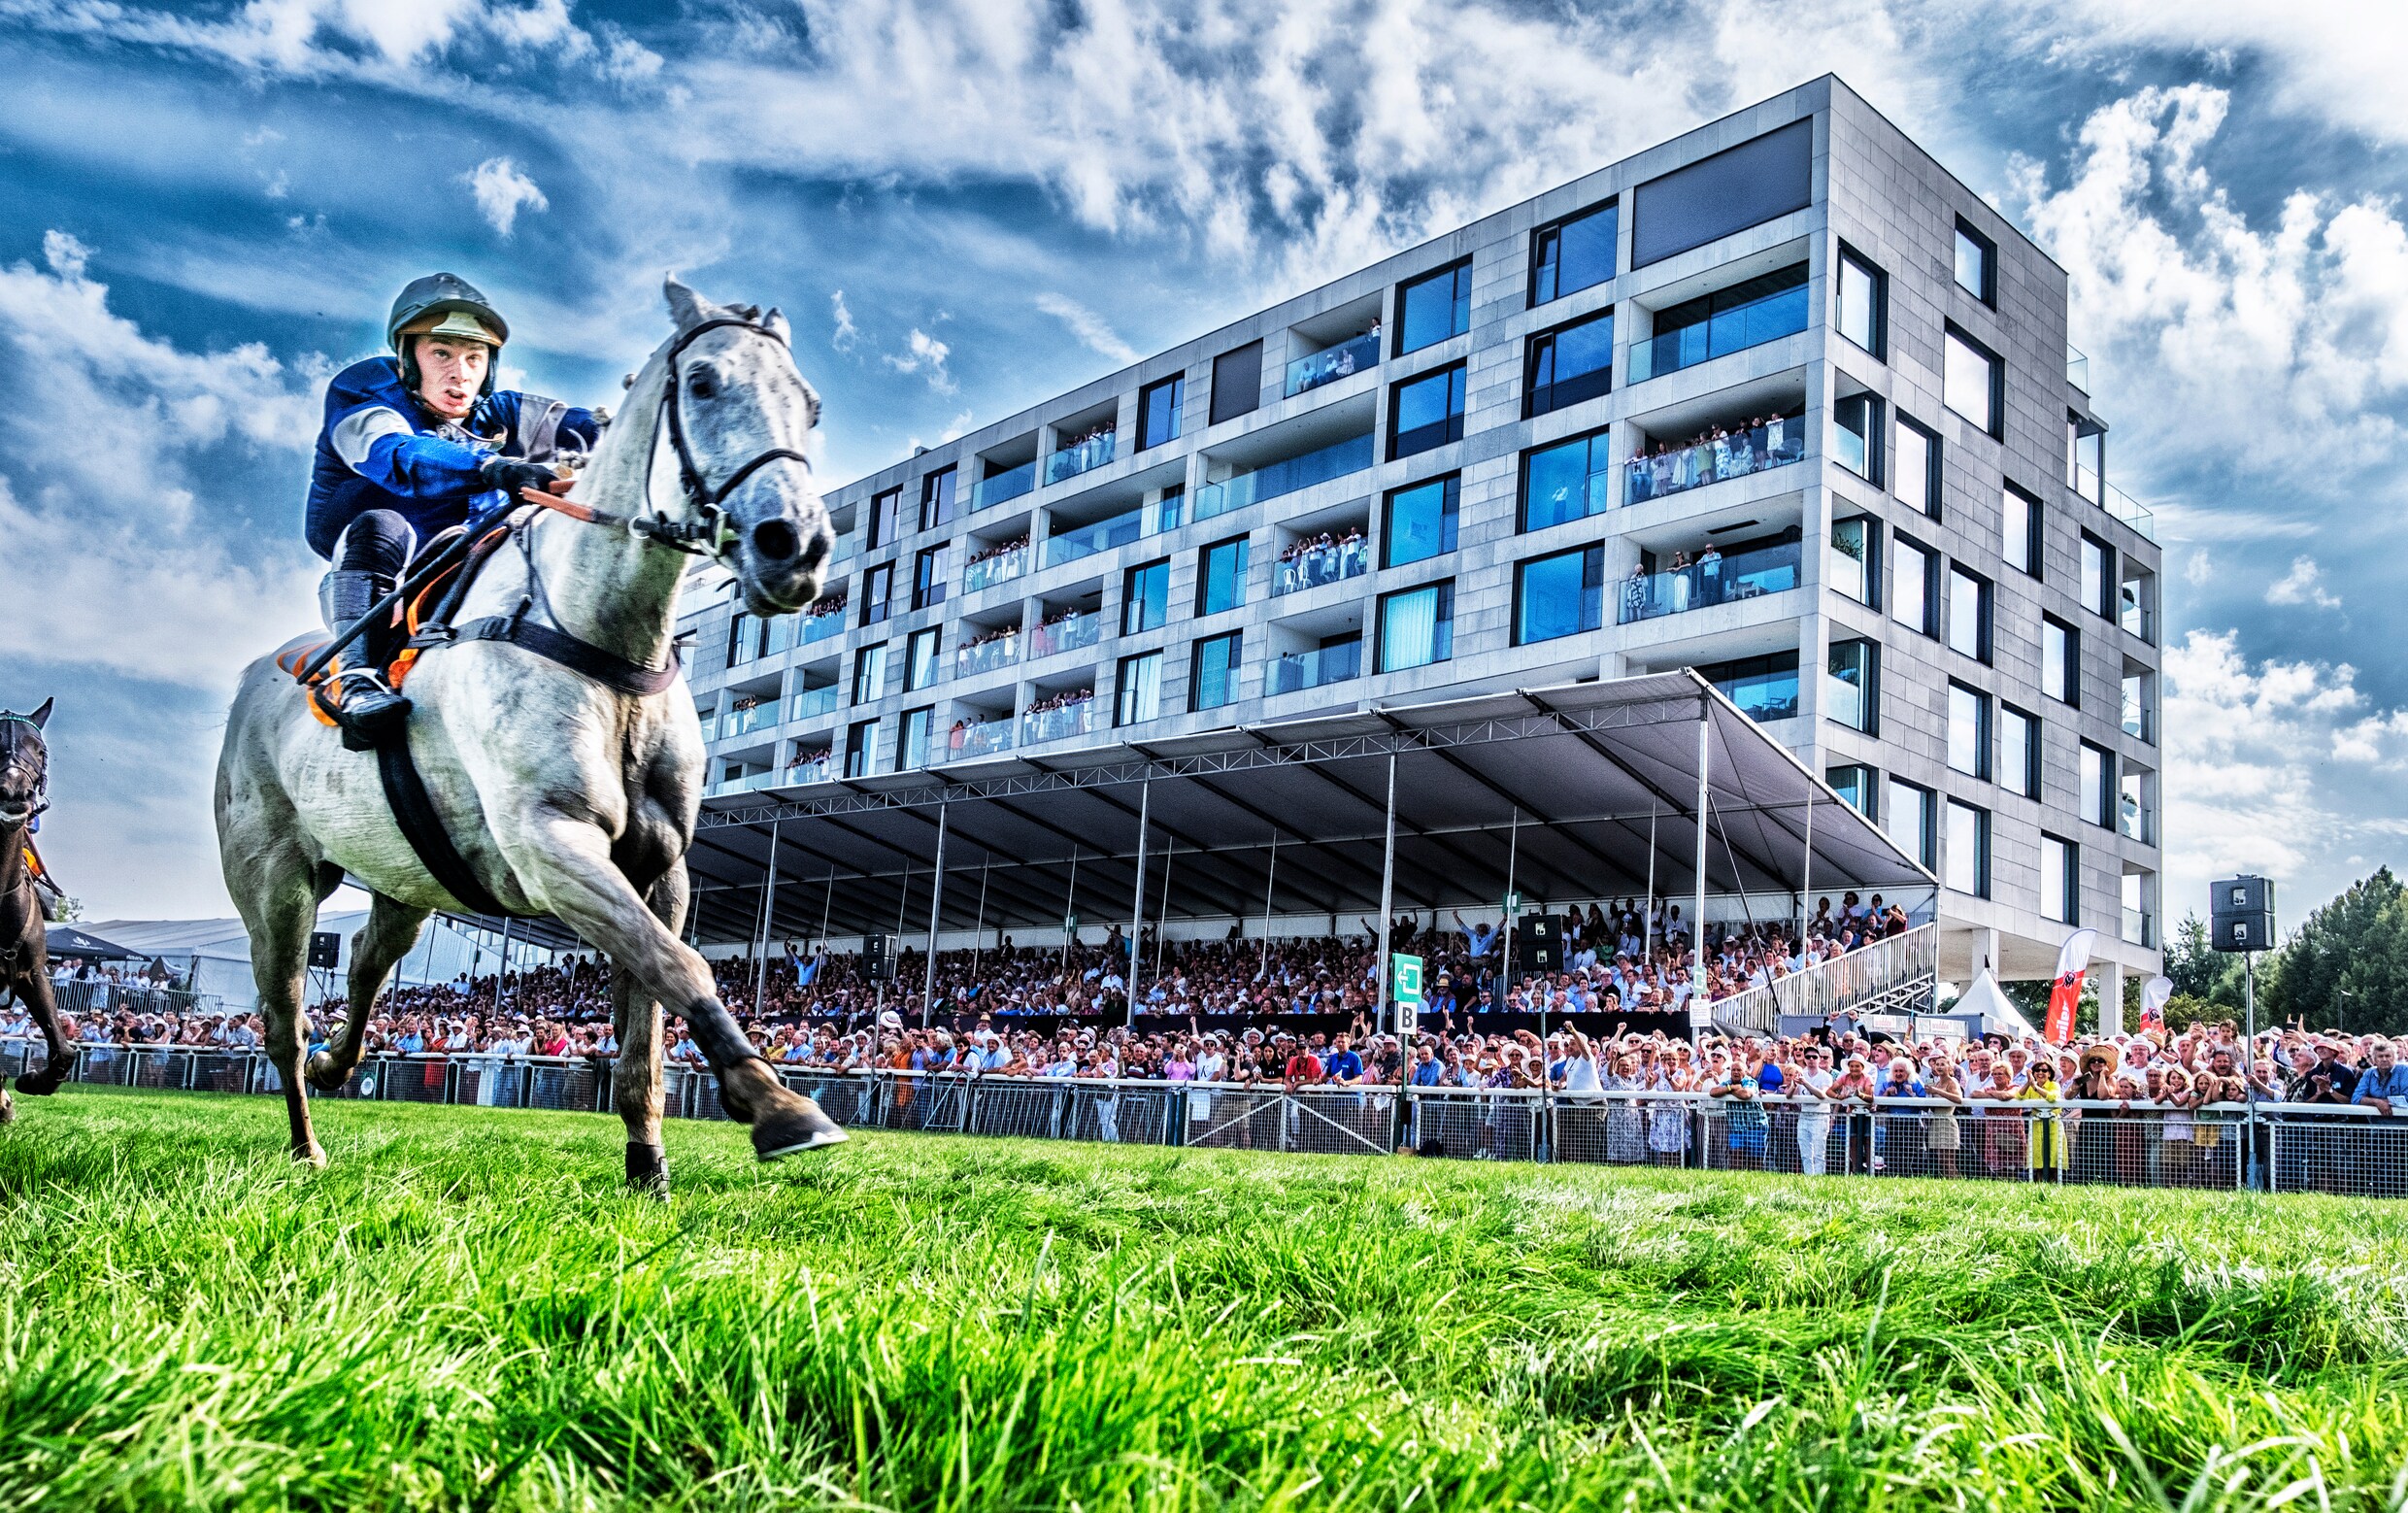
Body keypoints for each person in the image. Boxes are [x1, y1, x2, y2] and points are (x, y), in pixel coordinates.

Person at [304, 274, 599, 748]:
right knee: (383, 525)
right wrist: (493, 467)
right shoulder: (363, 392)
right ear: (408, 358)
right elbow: (400, 455)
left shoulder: (503, 412)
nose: (459, 373)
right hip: (383, 570)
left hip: (465, 561)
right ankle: (356, 678)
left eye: (473, 358)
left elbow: (598, 428)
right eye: (441, 354)